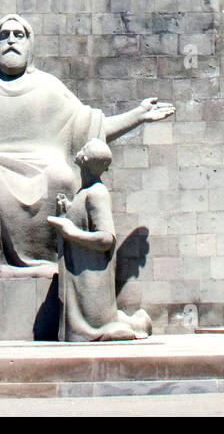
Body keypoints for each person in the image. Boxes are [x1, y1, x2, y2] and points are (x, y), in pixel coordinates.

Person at [0, 15, 174, 280]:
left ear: (30, 45)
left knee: (60, 174)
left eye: (19, 35)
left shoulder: (49, 88)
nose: (11, 40)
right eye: (5, 35)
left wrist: (137, 116)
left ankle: (45, 260)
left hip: (42, 174)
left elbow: (90, 128)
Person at [48, 139, 152, 342]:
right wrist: (66, 210)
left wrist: (69, 231)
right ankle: (129, 321)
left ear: (85, 160)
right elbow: (83, 221)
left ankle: (138, 324)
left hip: (91, 281)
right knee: (81, 328)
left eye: (84, 149)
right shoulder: (83, 192)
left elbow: (106, 238)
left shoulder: (97, 193)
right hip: (80, 276)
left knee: (92, 327)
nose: (79, 150)